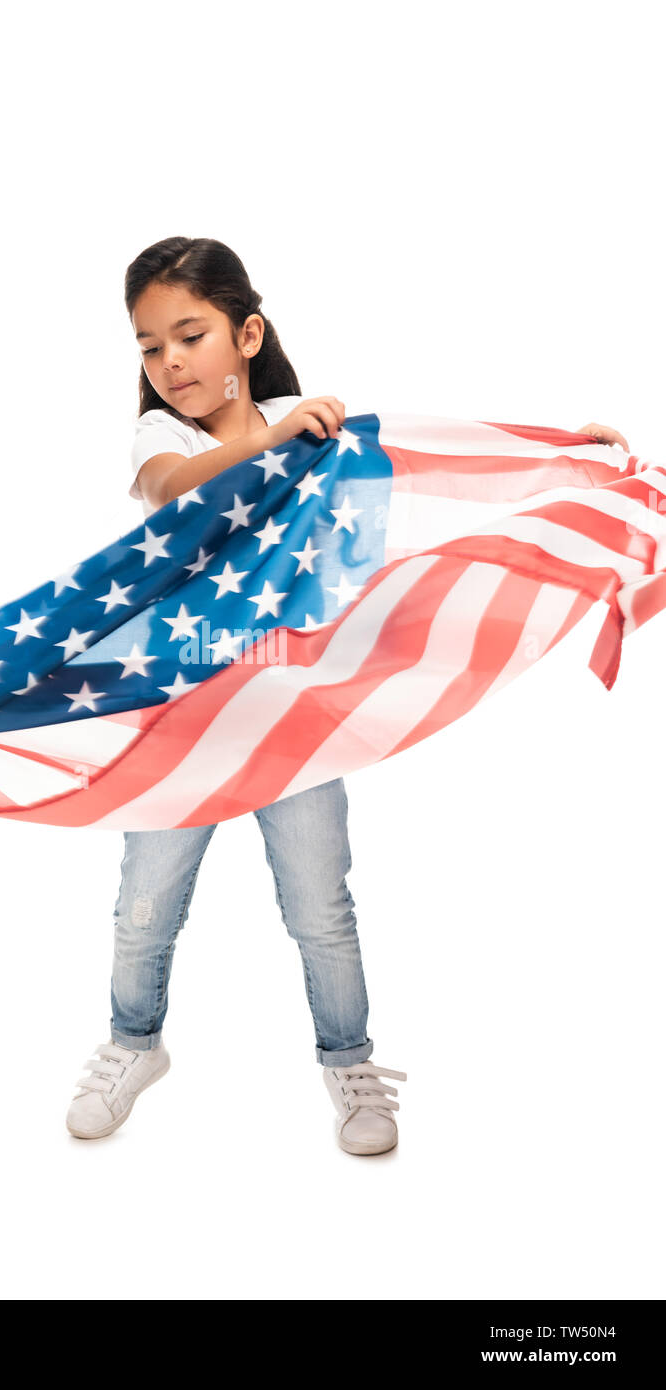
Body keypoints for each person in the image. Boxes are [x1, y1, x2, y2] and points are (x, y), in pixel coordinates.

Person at [65, 236, 630, 1157]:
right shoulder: (163, 437)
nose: (168, 361)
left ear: (246, 334)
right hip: (183, 718)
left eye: (189, 335)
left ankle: (348, 1064)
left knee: (319, 905)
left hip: (291, 720)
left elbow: (416, 481)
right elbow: (173, 497)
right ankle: (134, 1044)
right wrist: (276, 442)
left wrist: (564, 456)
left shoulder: (313, 428)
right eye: (147, 345)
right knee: (144, 904)